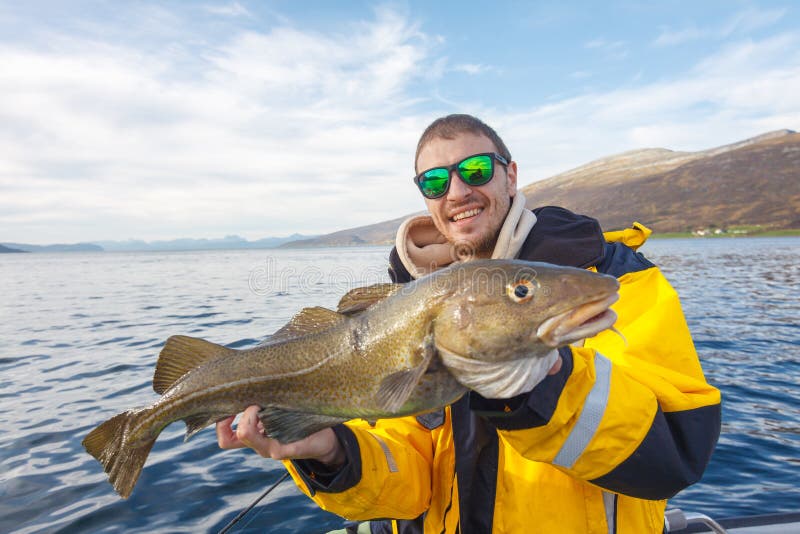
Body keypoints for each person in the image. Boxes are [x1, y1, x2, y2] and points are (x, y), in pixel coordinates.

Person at [217, 114, 721, 533]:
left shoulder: (613, 279)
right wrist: (329, 451)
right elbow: (408, 481)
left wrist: (541, 384)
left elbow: (676, 454)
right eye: (435, 181)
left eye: (476, 169)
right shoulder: (401, 311)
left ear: (511, 175)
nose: (457, 190)